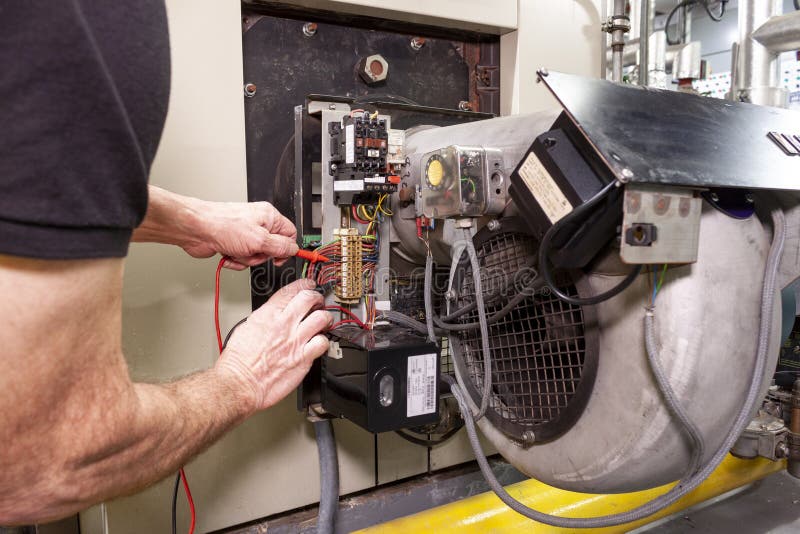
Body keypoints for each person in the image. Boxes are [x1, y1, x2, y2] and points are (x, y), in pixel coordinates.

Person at [0, 1, 332, 525]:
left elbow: (26, 186)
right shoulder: (76, 20)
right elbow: (46, 462)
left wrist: (192, 221)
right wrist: (243, 378)